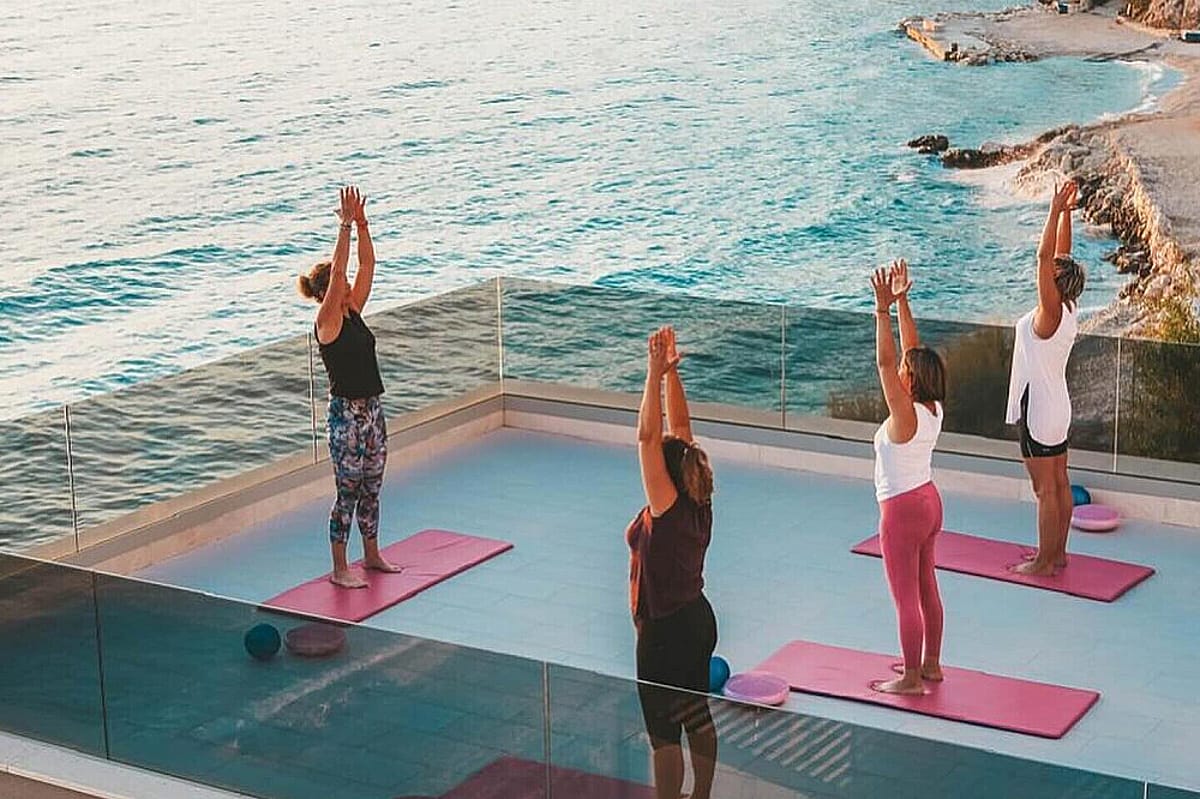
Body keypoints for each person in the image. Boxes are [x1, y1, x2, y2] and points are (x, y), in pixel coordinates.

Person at [626, 326, 718, 799]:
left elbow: (648, 438)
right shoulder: (697, 495)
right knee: (697, 715)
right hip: (698, 620)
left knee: (664, 736)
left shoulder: (666, 510)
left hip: (664, 634)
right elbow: (680, 433)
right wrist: (671, 375)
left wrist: (652, 373)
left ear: (667, 474)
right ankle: (701, 795)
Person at [297, 186, 401, 588]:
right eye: (337, 286)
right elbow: (341, 271)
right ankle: (341, 569)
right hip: (346, 418)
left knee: (373, 486)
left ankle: (371, 555)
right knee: (348, 493)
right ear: (326, 293)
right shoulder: (328, 322)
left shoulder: (352, 310)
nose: (346, 287)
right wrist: (343, 226)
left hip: (372, 410)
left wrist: (363, 224)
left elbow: (367, 265)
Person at [869, 260, 948, 696]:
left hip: (902, 512)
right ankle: (931, 664)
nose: (900, 369)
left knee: (905, 597)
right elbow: (909, 352)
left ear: (910, 382)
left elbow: (886, 363)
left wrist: (881, 310)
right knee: (927, 585)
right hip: (930, 502)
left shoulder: (904, 414)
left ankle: (912, 678)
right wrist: (902, 301)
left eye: (905, 371)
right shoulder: (932, 409)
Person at [1006, 180, 1086, 577]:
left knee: (1044, 489)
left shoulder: (1050, 313)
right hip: (1060, 404)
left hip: (1038, 407)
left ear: (1055, 283)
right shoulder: (1069, 308)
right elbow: (1060, 255)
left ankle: (1043, 560)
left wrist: (1053, 209)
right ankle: (1059, 554)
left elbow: (1043, 257)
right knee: (1060, 481)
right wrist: (1067, 212)